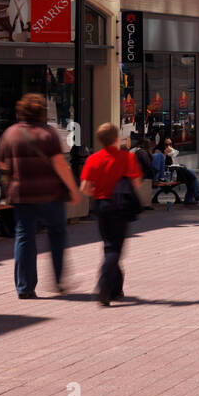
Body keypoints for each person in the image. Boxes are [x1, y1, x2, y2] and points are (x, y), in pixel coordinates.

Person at [0, 93, 79, 299]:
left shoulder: (10, 134)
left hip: (22, 193)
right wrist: (73, 190)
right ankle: (59, 280)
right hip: (50, 194)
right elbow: (60, 164)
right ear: (42, 112)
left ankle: (25, 287)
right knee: (57, 234)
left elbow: (2, 163)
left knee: (24, 237)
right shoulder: (48, 134)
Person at [79, 123, 149, 305]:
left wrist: (99, 191)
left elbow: (85, 188)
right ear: (116, 138)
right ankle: (104, 286)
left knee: (109, 244)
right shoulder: (126, 158)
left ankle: (116, 289)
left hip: (101, 206)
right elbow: (137, 181)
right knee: (114, 250)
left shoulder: (93, 159)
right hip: (120, 206)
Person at [162, 138, 199, 204]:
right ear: (163, 145)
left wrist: (172, 155)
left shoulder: (172, 152)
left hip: (176, 172)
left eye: (170, 144)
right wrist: (164, 155)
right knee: (191, 175)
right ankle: (195, 196)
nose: (168, 146)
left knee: (191, 176)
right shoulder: (160, 152)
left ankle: (193, 197)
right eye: (166, 144)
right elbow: (161, 165)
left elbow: (174, 160)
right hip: (168, 175)